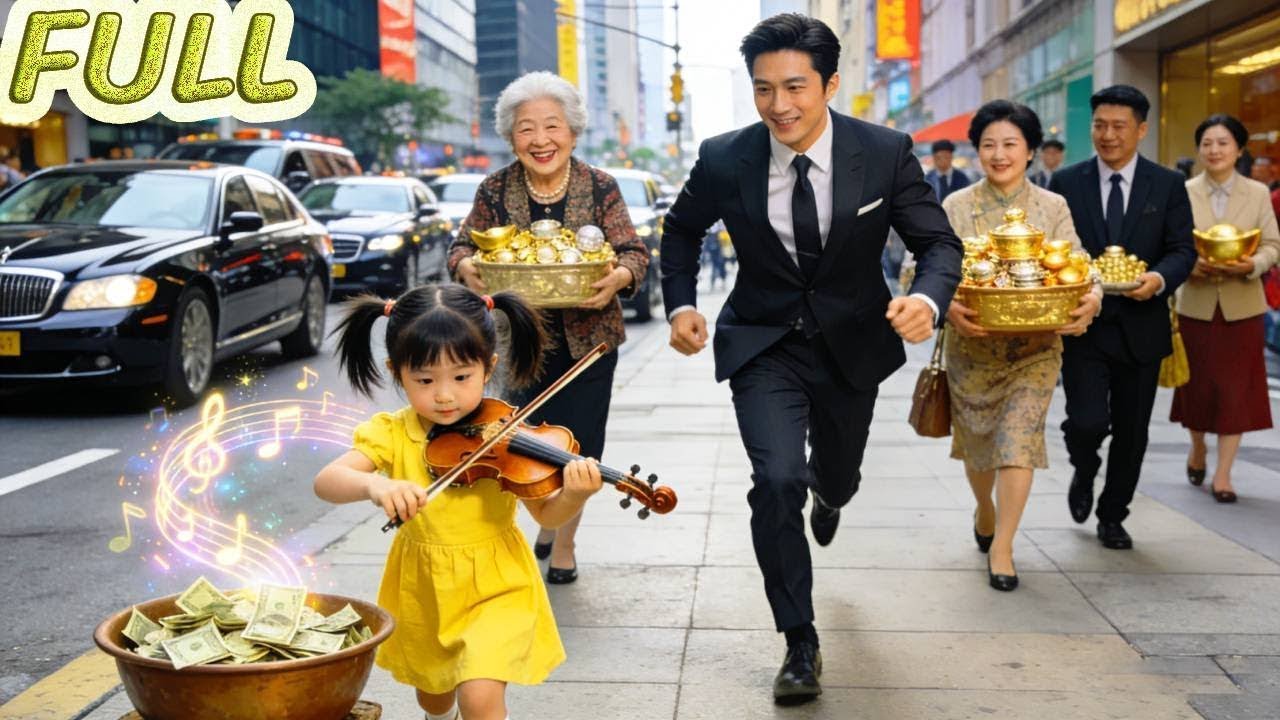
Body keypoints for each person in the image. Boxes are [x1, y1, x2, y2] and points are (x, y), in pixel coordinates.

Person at [660, 14, 962, 705]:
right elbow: (680, 233)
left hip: (851, 347)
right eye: (763, 89)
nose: (779, 105)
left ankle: (833, 493)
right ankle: (799, 639)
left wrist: (929, 300)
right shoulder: (724, 157)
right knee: (774, 480)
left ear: (828, 84)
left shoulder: (883, 151)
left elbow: (938, 242)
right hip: (763, 343)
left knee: (837, 476)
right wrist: (681, 306)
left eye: (795, 86)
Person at [315, 284, 606, 720]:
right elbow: (327, 481)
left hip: (496, 585)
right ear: (398, 372)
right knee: (434, 694)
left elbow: (548, 513)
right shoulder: (393, 432)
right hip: (425, 589)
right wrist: (376, 487)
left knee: (480, 698)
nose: (445, 395)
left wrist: (575, 495)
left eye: (461, 377)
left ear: (488, 368)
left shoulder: (505, 432)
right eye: (425, 380)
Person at [450, 71, 649, 585]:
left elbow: (634, 252)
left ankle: (564, 541)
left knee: (577, 448)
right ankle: (533, 519)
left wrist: (619, 279)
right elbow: (460, 248)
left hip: (590, 345)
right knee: (514, 445)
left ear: (573, 132)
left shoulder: (599, 186)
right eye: (526, 129)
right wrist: (466, 268)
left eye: (551, 126)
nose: (540, 140)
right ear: (510, 137)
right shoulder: (494, 188)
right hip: (517, 344)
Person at [943, 101, 1102, 592]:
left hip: (1035, 349)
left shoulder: (1052, 207)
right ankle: (985, 508)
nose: (999, 154)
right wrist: (948, 306)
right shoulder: (956, 206)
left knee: (1017, 441)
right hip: (972, 347)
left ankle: (1004, 546)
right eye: (989, 144)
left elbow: (1081, 264)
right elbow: (923, 268)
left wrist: (1092, 297)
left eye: (1010, 143)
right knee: (977, 448)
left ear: (1031, 150)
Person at [1049, 85, 1196, 549]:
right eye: (1099, 126)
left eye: (1118, 126)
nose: (1107, 135)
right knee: (1086, 420)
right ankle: (1084, 465)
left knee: (1132, 433)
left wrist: (1157, 279)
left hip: (1142, 327)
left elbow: (1182, 249)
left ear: (1141, 129)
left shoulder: (1167, 184)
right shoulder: (1067, 182)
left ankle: (1113, 515)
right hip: (1084, 327)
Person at [1172, 114, 1280, 503]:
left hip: (1242, 307)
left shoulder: (1256, 193)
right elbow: (1171, 245)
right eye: (1207, 143)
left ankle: (1223, 475)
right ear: (1199, 149)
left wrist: (1252, 265)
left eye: (1223, 143)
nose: (1214, 150)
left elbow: (1273, 245)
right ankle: (1198, 447)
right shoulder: (1181, 191)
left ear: (1238, 149)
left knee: (1235, 392)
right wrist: (1189, 265)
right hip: (1196, 306)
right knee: (1197, 389)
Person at [703, 219, 728, 289]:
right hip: (713, 241)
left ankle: (720, 282)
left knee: (720, 264)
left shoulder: (720, 225)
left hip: (719, 243)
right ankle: (714, 282)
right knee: (716, 264)